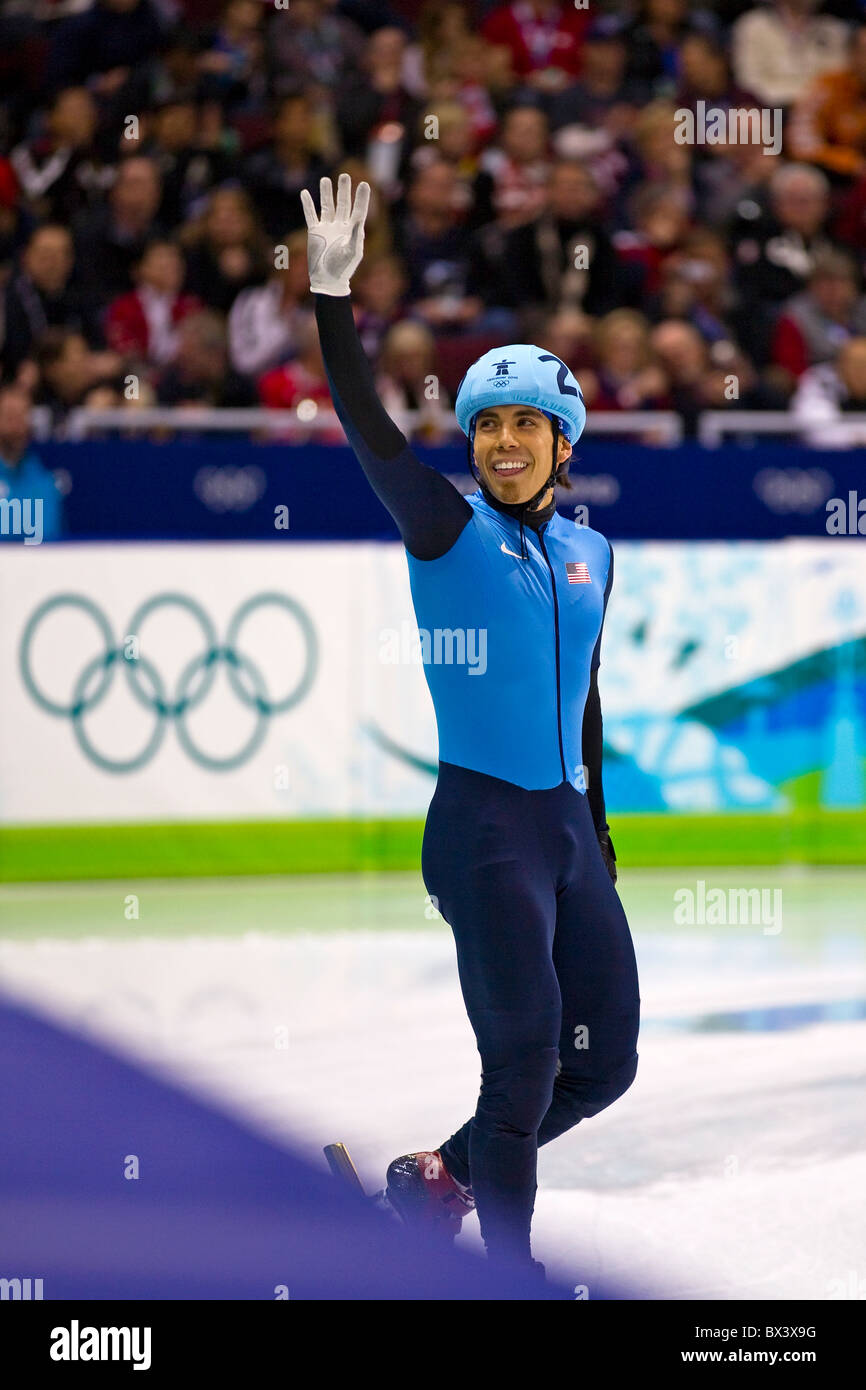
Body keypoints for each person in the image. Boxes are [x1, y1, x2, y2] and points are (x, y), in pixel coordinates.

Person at [301, 173, 640, 1274]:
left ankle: (434, 1181)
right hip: (485, 833)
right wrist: (329, 300)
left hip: (566, 834)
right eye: (485, 423)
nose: (500, 441)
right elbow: (370, 437)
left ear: (563, 443)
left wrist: (599, 827)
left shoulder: (592, 554)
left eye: (523, 426)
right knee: (526, 1068)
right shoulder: (445, 530)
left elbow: (583, 690)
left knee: (604, 1064)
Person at [0, 386, 63, 543]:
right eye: (9, 416)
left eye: (22, 417)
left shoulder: (44, 480)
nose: (16, 426)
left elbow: (49, 535)